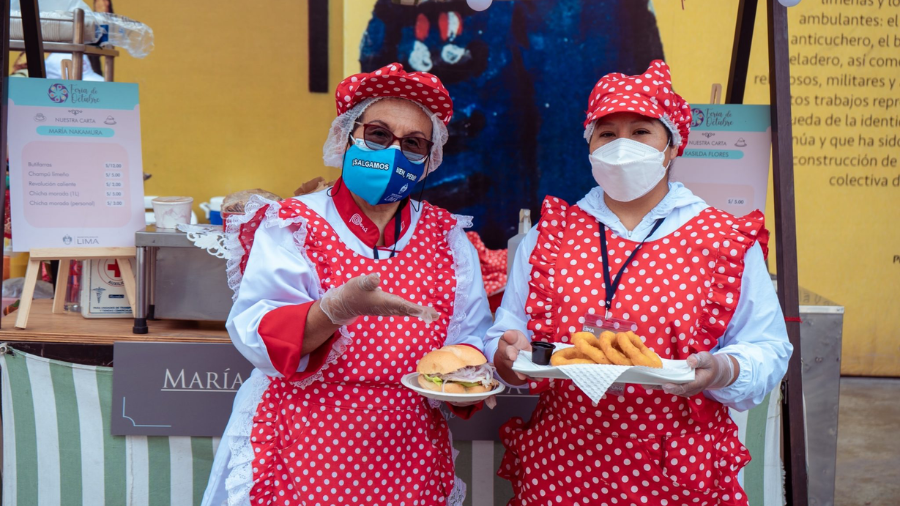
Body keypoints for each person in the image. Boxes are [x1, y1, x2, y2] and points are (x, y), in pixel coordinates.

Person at [486, 60, 792, 505]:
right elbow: (511, 333)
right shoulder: (551, 236)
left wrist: (723, 369)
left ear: (672, 146)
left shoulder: (721, 240)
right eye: (607, 133)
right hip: (565, 464)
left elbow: (769, 348)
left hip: (676, 467)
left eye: (641, 131)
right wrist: (506, 353)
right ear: (589, 145)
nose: (622, 146)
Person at [202, 63, 493, 506]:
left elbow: (469, 337)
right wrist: (334, 309)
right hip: (300, 443)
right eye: (378, 134)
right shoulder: (296, 223)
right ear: (346, 136)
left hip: (408, 450)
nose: (393, 152)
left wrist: (476, 373)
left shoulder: (446, 237)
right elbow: (256, 334)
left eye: (412, 144)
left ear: (429, 159)